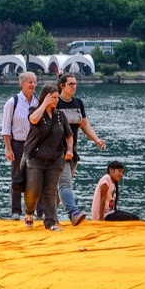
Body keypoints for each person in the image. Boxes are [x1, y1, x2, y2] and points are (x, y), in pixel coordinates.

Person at [53, 73, 106, 227]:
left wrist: (96, 139)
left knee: (62, 185)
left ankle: (50, 215)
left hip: (72, 151)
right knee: (64, 184)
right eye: (70, 84)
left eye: (75, 84)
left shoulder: (78, 103)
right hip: (58, 151)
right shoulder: (56, 103)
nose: (74, 86)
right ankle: (73, 213)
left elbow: (84, 124)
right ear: (62, 86)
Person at [22, 83, 71, 230]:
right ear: (45, 97)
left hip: (55, 158)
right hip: (36, 157)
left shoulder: (60, 116)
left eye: (57, 98)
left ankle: (50, 222)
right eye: (53, 97)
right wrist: (44, 104)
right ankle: (29, 212)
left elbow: (69, 135)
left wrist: (69, 150)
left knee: (50, 191)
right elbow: (33, 120)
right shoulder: (35, 111)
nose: (56, 100)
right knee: (34, 190)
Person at [0, 71, 37, 220]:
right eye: (30, 82)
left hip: (34, 145)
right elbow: (6, 128)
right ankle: (16, 212)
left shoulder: (37, 102)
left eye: (34, 82)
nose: (33, 85)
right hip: (18, 144)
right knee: (17, 177)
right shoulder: (12, 102)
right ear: (22, 84)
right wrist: (8, 148)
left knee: (36, 177)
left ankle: (34, 211)